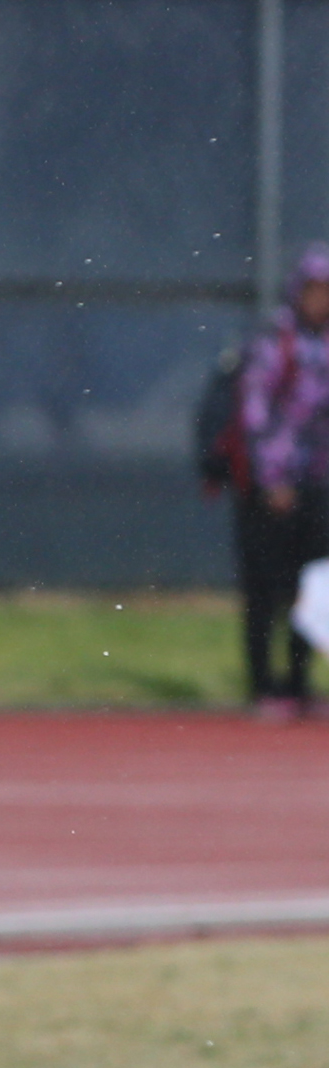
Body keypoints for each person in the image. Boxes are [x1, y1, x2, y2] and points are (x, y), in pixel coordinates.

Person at [237, 243, 329, 722]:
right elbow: (256, 413)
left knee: (312, 588)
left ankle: (298, 682)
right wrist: (273, 478)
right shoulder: (277, 341)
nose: (322, 300)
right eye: (315, 290)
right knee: (266, 588)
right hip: (272, 487)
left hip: (317, 483)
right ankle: (262, 685)